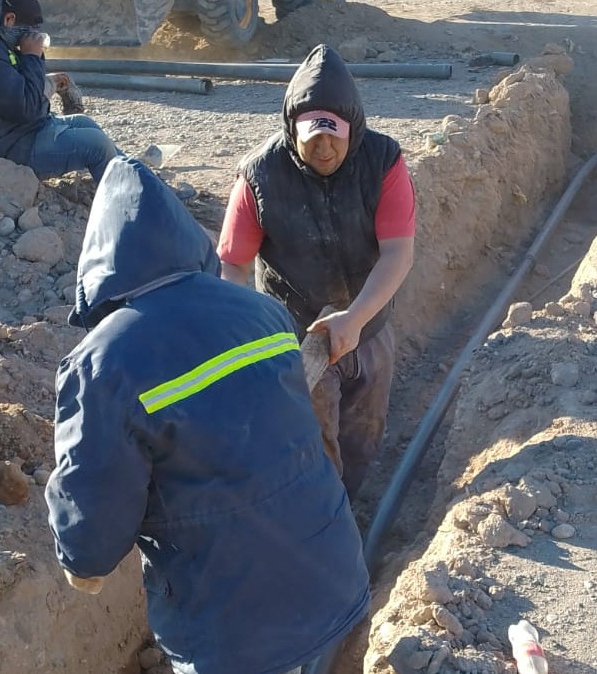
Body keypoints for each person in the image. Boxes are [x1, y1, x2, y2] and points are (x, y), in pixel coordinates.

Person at [44, 156, 369, 674]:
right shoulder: (261, 311)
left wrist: (82, 563)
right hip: (339, 580)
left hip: (235, 630)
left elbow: (94, 514)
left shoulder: (104, 363)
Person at [217, 44, 416, 499]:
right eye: (312, 139)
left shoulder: (383, 162)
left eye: (334, 138)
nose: (324, 150)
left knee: (363, 435)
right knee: (312, 442)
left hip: (368, 323)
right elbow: (233, 265)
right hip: (297, 335)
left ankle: (350, 512)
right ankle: (322, 524)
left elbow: (397, 255)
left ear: (353, 131)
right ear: (294, 131)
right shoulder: (259, 175)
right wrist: (248, 335)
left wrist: (355, 318)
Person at [0, 0, 117, 183]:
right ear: (9, 19)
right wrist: (32, 56)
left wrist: (30, 57)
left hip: (2, 132)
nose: (30, 37)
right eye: (28, 31)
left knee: (83, 123)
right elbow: (28, 108)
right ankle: (128, 202)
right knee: (96, 145)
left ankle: (137, 177)